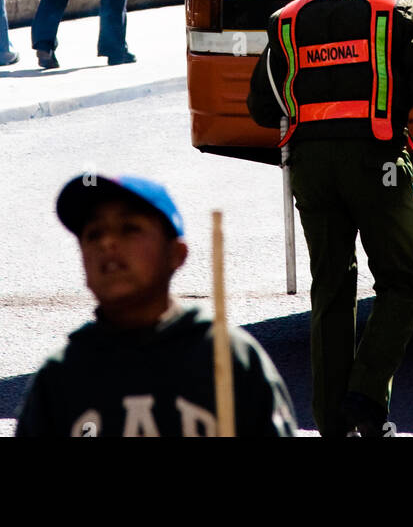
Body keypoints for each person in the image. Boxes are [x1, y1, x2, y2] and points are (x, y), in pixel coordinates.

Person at [246, 0, 413, 438]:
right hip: (378, 164)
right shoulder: (396, 8)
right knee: (401, 285)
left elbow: (260, 104)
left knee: (331, 288)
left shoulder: (288, 19)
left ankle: (332, 424)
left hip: (310, 168)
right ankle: (365, 399)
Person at [15, 173, 297, 437]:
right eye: (93, 234)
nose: (108, 242)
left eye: (130, 228)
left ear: (176, 254)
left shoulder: (228, 357)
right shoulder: (62, 377)